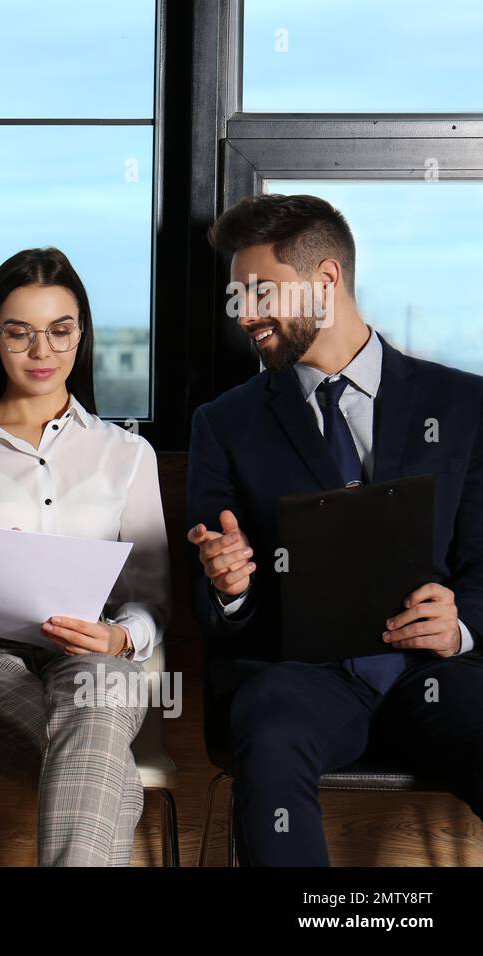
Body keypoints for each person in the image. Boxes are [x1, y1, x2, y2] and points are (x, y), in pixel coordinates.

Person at [188, 193, 483, 865]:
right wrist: (229, 585)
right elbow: (212, 604)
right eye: (239, 297)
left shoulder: (463, 406)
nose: (246, 316)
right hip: (303, 679)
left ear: (326, 280)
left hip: (434, 671)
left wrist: (460, 620)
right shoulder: (225, 424)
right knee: (267, 723)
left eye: (262, 292)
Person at [0, 246, 170, 866]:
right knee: (104, 764)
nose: (41, 352)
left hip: (88, 658)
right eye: (19, 333)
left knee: (99, 699)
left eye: (60, 331)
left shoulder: (126, 454)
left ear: (82, 336)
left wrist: (118, 637)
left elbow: (151, 600)